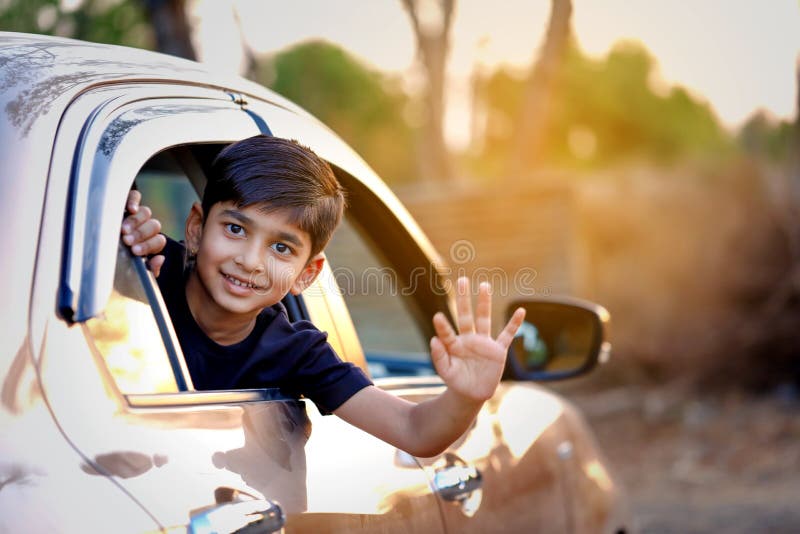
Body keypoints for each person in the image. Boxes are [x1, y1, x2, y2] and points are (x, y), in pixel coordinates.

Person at [122, 135, 525, 458]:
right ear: (196, 228)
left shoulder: (295, 352)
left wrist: (465, 397)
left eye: (281, 248)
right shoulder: (145, 265)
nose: (250, 261)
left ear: (306, 274)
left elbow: (414, 430)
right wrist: (120, 242)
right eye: (236, 229)